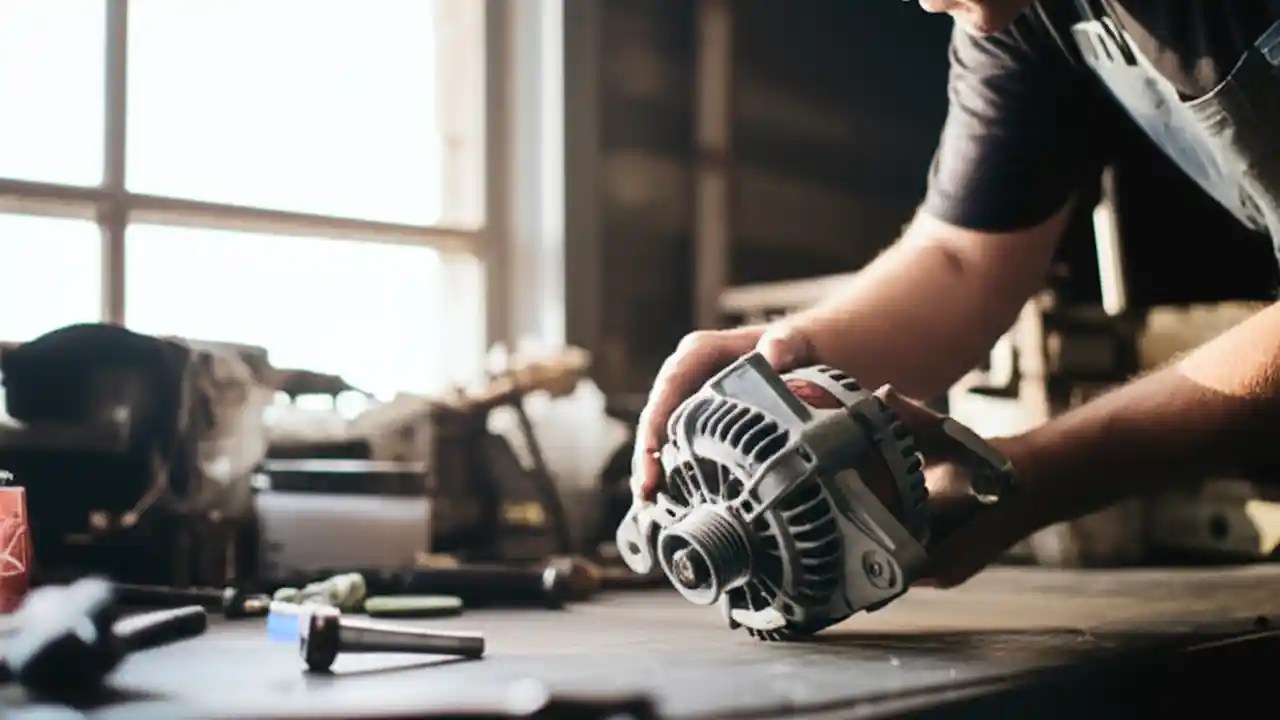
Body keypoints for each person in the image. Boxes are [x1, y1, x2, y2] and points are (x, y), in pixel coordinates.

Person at [631, 0, 1280, 589]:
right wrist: (793, 354)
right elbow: (963, 260)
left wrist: (1034, 476)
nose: (929, 3)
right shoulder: (1025, 16)